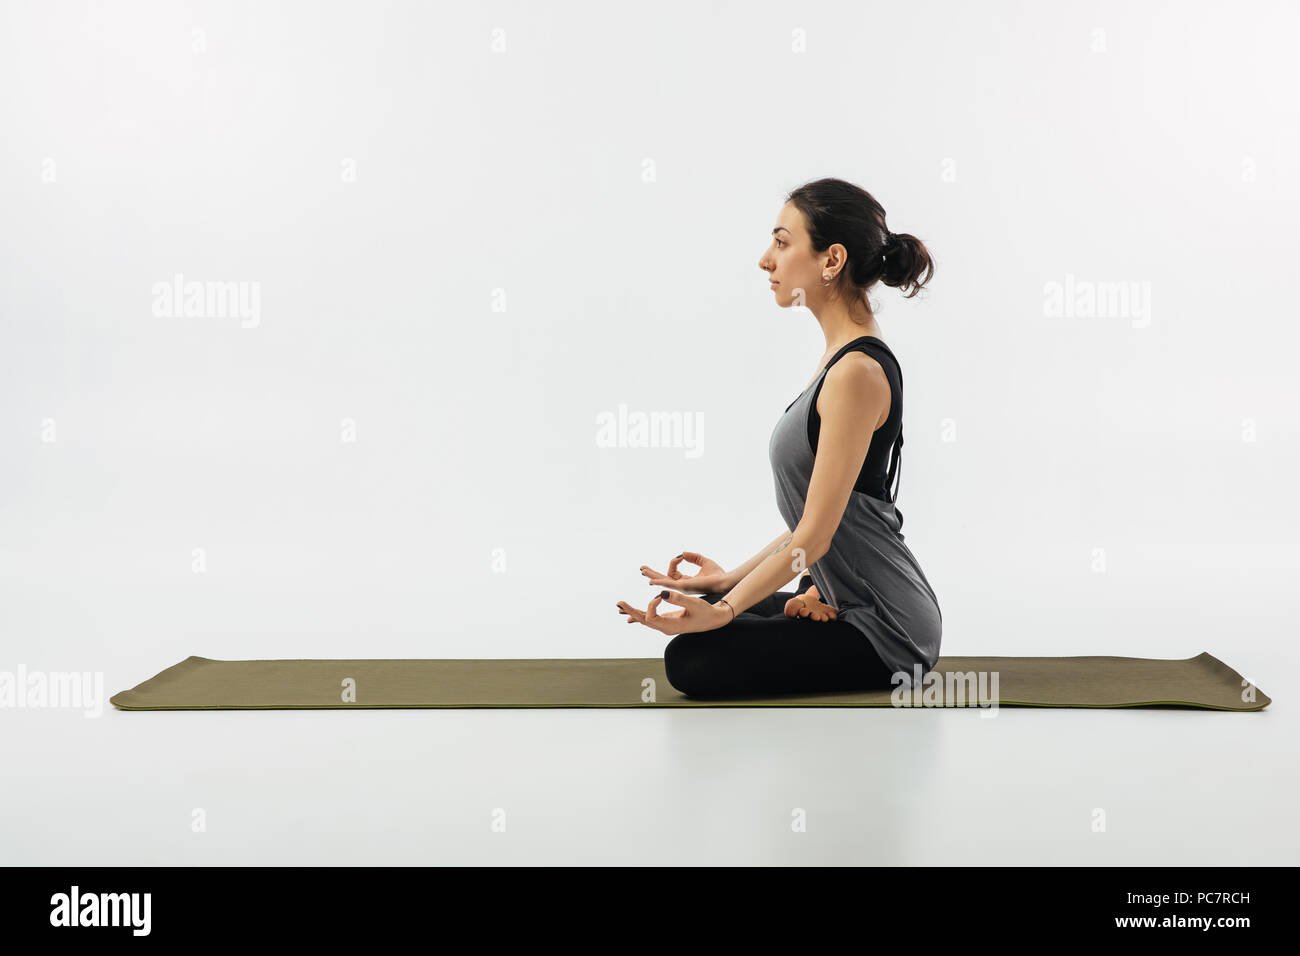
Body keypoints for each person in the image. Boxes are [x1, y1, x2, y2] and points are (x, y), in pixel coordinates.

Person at [616, 178, 943, 698]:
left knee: (692, 658)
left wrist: (727, 609)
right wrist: (727, 584)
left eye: (782, 242)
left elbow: (814, 536)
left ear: (831, 260)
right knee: (709, 614)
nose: (766, 260)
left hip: (888, 629)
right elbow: (814, 522)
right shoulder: (840, 362)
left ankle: (802, 606)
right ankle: (804, 601)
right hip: (848, 600)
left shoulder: (855, 373)